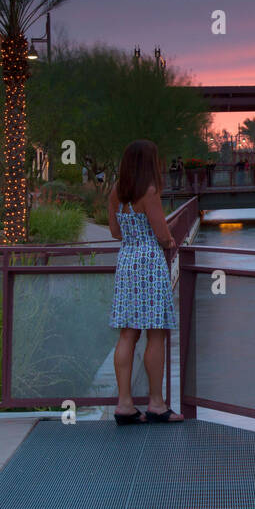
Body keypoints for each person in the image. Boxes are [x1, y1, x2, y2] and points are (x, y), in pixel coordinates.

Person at [107, 139, 183, 424]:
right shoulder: (149, 191)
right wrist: (169, 238)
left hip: (127, 260)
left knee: (128, 332)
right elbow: (162, 234)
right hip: (150, 262)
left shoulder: (116, 192)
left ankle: (124, 404)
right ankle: (156, 403)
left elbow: (115, 232)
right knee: (156, 332)